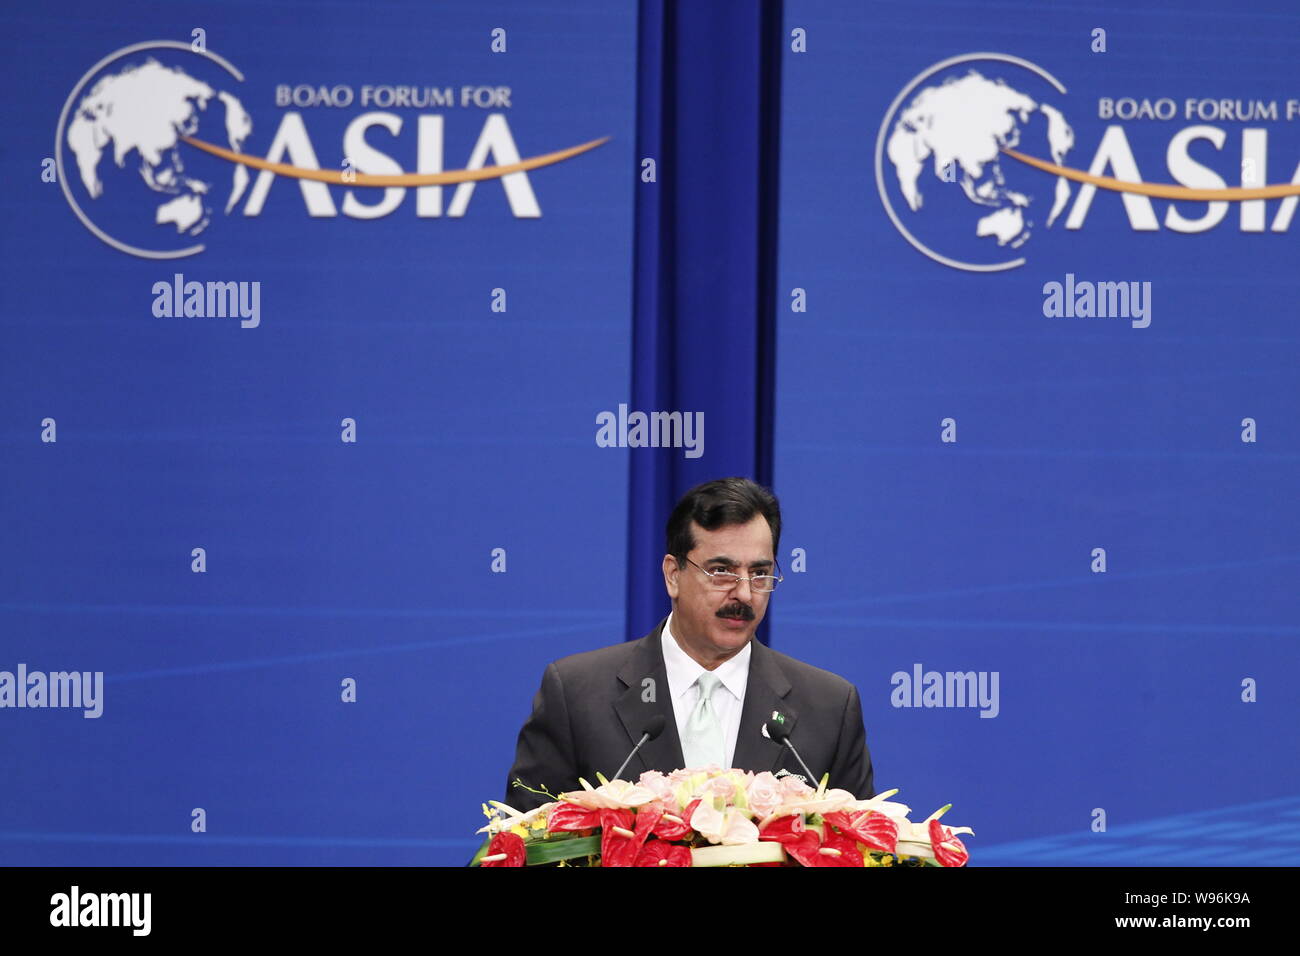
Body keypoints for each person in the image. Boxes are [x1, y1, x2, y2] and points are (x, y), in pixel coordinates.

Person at [501, 477, 875, 811]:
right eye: (721, 571)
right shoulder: (578, 695)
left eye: (759, 573)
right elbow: (527, 842)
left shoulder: (828, 707)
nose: (744, 593)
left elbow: (860, 849)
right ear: (673, 575)